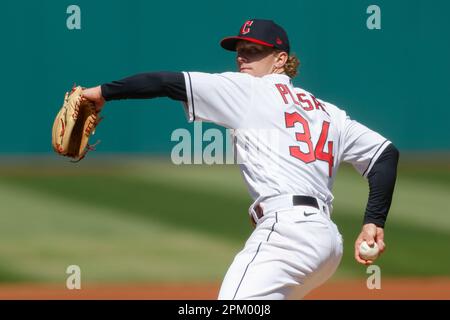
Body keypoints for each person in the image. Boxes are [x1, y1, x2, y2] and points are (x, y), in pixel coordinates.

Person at [82, 19, 399, 300]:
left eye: (255, 50)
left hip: (288, 234)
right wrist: (374, 222)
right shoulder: (328, 112)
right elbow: (384, 154)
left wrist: (99, 93)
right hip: (327, 244)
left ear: (280, 60)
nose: (242, 56)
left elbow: (167, 82)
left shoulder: (248, 89)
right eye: (240, 49)